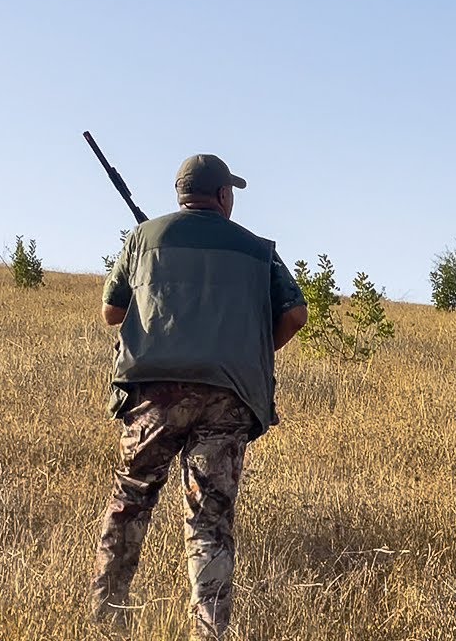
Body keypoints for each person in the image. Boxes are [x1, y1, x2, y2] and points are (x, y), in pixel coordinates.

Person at [90, 153, 308, 639]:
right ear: (224, 196)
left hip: (155, 394)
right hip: (228, 396)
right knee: (210, 521)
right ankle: (208, 632)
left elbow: (111, 311)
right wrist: (247, 350)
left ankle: (107, 619)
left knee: (131, 499)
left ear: (180, 194)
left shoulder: (144, 240)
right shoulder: (257, 250)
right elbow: (294, 316)